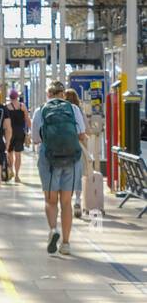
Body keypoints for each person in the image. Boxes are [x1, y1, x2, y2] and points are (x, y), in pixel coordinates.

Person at [31, 79, 88, 255]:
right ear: (63, 94)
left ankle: (53, 229)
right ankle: (66, 243)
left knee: (50, 200)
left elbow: (35, 139)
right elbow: (81, 135)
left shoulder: (40, 110)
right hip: (71, 159)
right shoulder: (74, 109)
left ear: (48, 94)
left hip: (49, 160)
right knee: (66, 202)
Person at [64, 88, 84, 216]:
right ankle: (77, 199)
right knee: (77, 174)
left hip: (61, 146)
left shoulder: (61, 109)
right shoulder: (77, 110)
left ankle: (65, 202)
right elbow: (83, 131)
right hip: (75, 146)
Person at [3, 89, 29, 183]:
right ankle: (17, 175)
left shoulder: (6, 107)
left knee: (9, 153)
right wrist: (29, 131)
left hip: (9, 133)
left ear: (9, 97)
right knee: (18, 155)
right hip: (20, 132)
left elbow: (4, 122)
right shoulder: (22, 106)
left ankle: (11, 171)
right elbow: (27, 119)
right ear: (17, 96)